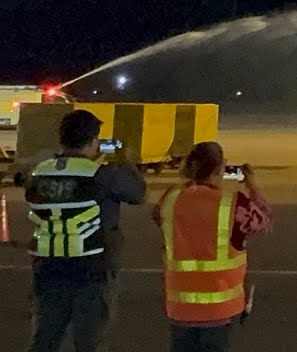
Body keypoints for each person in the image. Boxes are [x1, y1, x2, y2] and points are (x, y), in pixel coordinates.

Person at [24, 109, 146, 352]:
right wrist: (128, 163)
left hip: (48, 267)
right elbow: (138, 194)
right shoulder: (102, 175)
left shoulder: (39, 172)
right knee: (90, 341)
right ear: (92, 142)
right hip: (92, 269)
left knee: (45, 338)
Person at [154, 141, 273, 352]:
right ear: (219, 169)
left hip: (180, 309)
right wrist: (252, 185)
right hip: (220, 312)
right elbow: (263, 222)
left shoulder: (170, 199)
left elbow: (158, 218)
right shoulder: (233, 204)